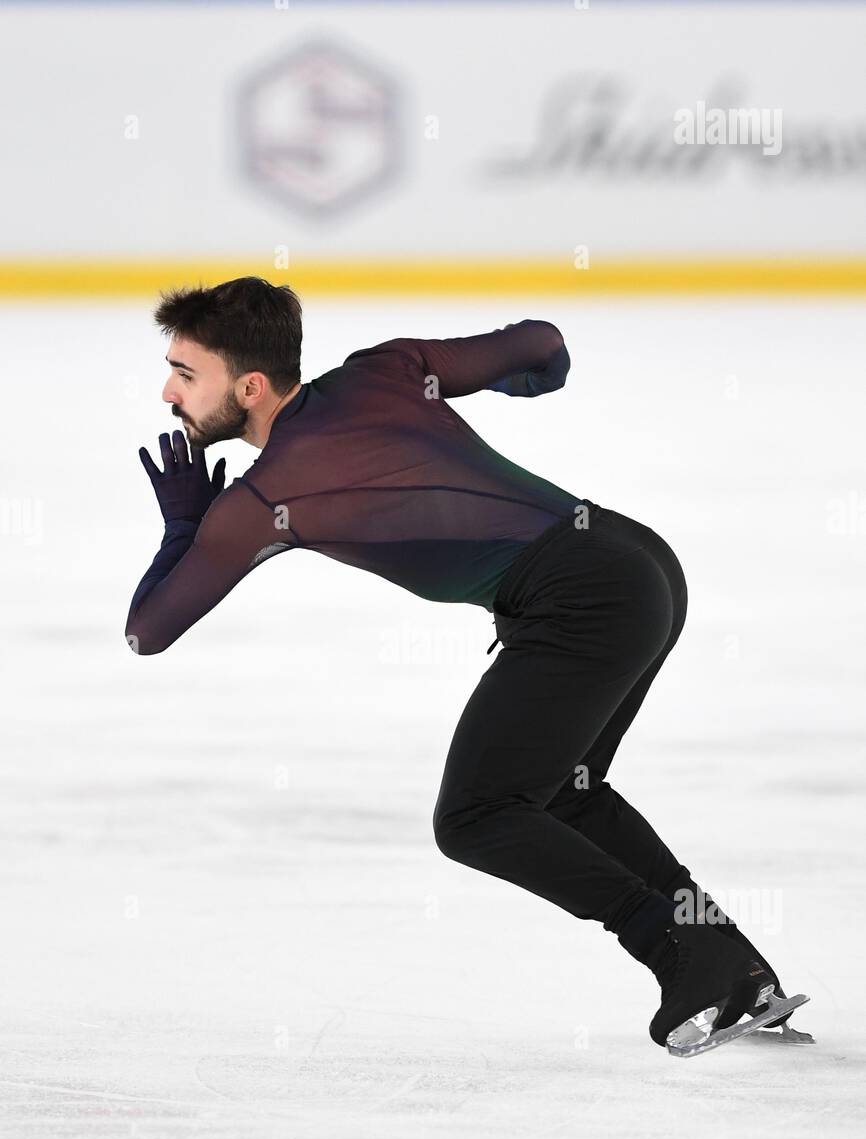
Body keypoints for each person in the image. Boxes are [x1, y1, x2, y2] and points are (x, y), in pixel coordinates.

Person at [125, 276, 793, 1051]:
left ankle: (677, 949)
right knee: (563, 796)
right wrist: (524, 384)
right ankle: (735, 966)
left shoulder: (261, 502)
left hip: (580, 600)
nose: (168, 392)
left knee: (477, 817)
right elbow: (543, 345)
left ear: (248, 385)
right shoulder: (384, 370)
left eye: (185, 374)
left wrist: (182, 528)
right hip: (635, 562)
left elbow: (149, 629)